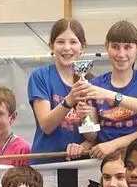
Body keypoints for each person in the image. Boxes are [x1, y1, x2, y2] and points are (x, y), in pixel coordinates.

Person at [76, 21, 137, 160]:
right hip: (105, 160)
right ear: (106, 47)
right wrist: (85, 119)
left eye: (127, 47)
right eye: (115, 47)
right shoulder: (94, 85)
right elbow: (92, 137)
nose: (121, 54)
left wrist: (114, 145)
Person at [27, 18, 90, 162]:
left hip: (80, 164)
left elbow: (95, 133)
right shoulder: (40, 77)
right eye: (60, 42)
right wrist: (70, 99)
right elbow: (46, 125)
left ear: (83, 47)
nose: (67, 48)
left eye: (73, 42)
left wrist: (84, 145)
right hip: (46, 164)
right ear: (51, 46)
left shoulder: (90, 82)